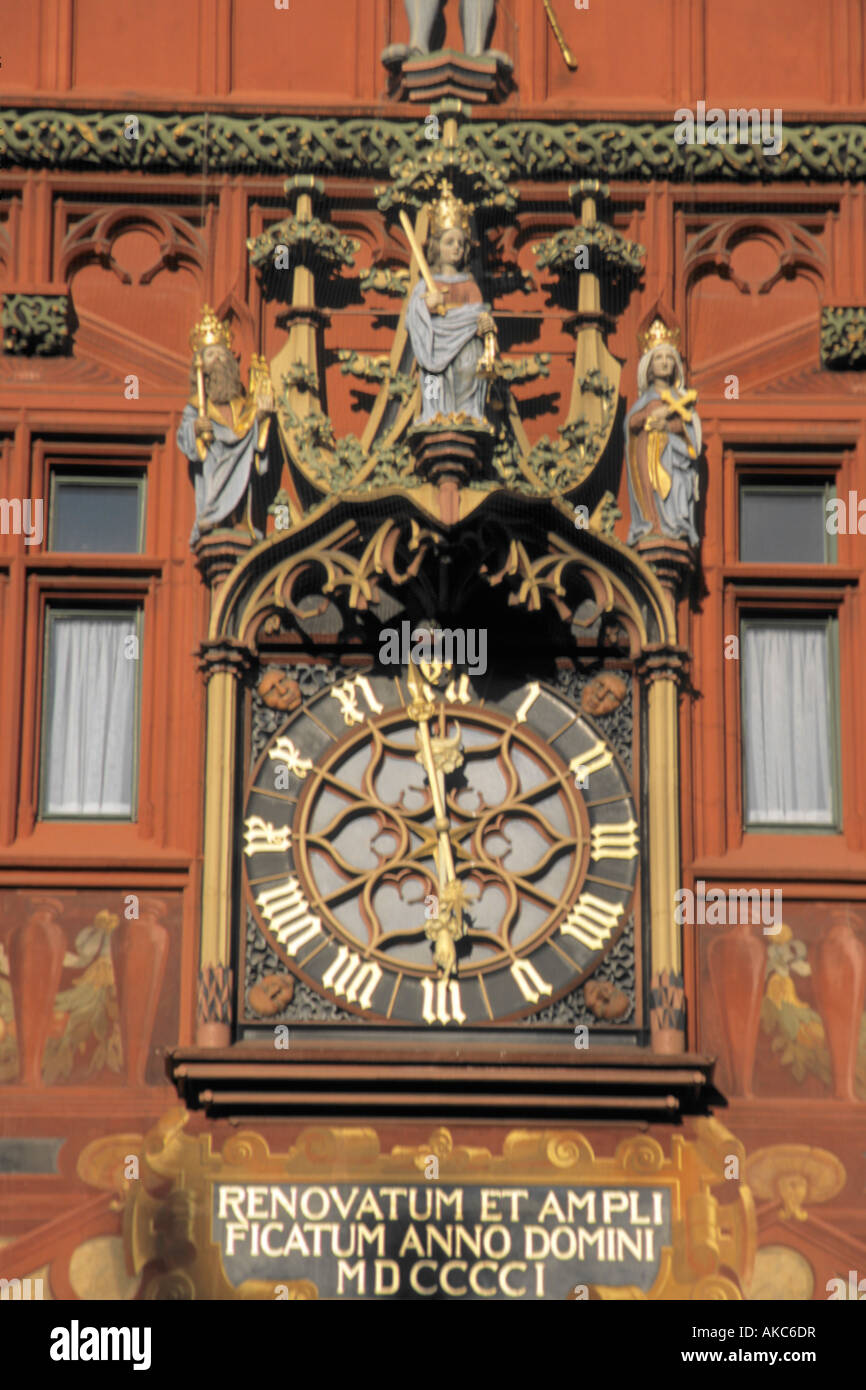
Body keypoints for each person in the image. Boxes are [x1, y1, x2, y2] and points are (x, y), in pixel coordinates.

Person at [176, 307, 273, 547]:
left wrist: (260, 418)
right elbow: (183, 434)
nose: (217, 359)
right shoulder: (197, 406)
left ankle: (239, 519)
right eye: (211, 356)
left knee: (243, 466)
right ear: (202, 368)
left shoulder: (242, 405)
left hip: (241, 460)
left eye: (221, 354)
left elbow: (252, 436)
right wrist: (197, 427)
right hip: (213, 464)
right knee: (214, 470)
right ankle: (213, 517)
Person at [405, 181, 495, 422]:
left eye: (461, 243)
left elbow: (479, 314)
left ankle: (468, 413)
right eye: (449, 242)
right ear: (437, 247)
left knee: (468, 372)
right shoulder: (426, 285)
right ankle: (434, 414)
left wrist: (484, 323)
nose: (456, 247)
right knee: (433, 376)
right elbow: (412, 318)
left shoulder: (468, 283)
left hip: (466, 345)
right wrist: (426, 306)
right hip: (434, 347)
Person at [625, 320, 701, 547]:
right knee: (649, 487)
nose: (665, 362)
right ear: (649, 366)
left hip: (673, 453)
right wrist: (649, 417)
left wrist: (667, 426)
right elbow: (631, 424)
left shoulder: (681, 399)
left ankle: (674, 525)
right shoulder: (645, 400)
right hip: (646, 450)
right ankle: (652, 523)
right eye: (659, 358)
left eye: (669, 358)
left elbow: (688, 428)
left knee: (676, 486)